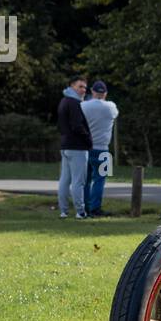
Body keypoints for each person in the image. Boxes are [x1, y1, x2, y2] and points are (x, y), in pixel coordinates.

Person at [57, 75, 92, 219]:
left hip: (65, 145)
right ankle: (80, 211)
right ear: (72, 86)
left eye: (84, 87)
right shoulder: (74, 103)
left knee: (64, 180)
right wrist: (88, 138)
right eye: (80, 86)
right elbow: (77, 125)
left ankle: (64, 211)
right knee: (79, 181)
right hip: (77, 146)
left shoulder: (64, 101)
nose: (83, 90)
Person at [81, 80, 119, 217]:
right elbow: (115, 115)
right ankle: (95, 207)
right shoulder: (111, 106)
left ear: (92, 91)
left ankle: (84, 207)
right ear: (105, 93)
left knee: (85, 180)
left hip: (85, 148)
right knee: (100, 180)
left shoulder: (83, 106)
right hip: (103, 149)